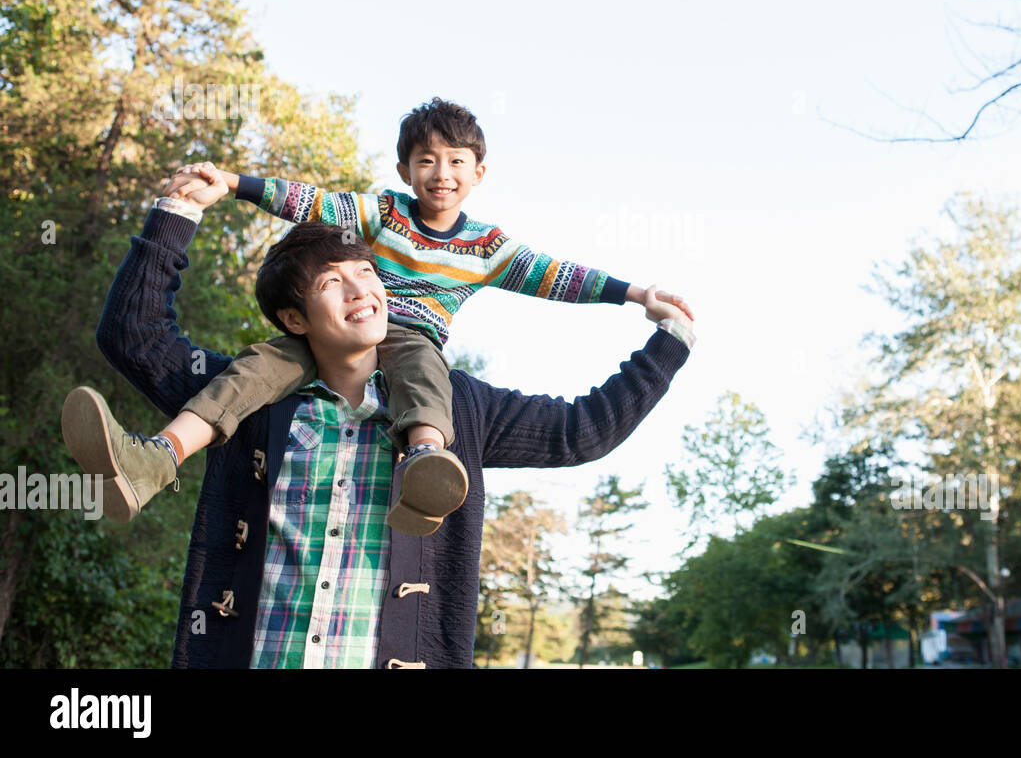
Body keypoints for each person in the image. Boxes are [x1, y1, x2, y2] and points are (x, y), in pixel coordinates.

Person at [65, 171, 695, 667]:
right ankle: (154, 459)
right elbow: (134, 333)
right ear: (293, 319)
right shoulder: (251, 398)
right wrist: (179, 212)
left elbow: (579, 431)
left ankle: (423, 464)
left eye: (367, 273)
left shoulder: (460, 407)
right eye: (331, 283)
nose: (360, 289)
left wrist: (667, 342)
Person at [67, 96, 690, 537]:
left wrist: (637, 296)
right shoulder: (382, 214)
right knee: (253, 371)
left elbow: (559, 278)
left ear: (478, 173)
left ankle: (423, 462)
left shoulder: (488, 248)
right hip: (329, 341)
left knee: (422, 368)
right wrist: (233, 183)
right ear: (404, 171)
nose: (439, 174)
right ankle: (156, 458)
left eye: (454, 162)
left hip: (410, 336)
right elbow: (310, 201)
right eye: (425, 161)